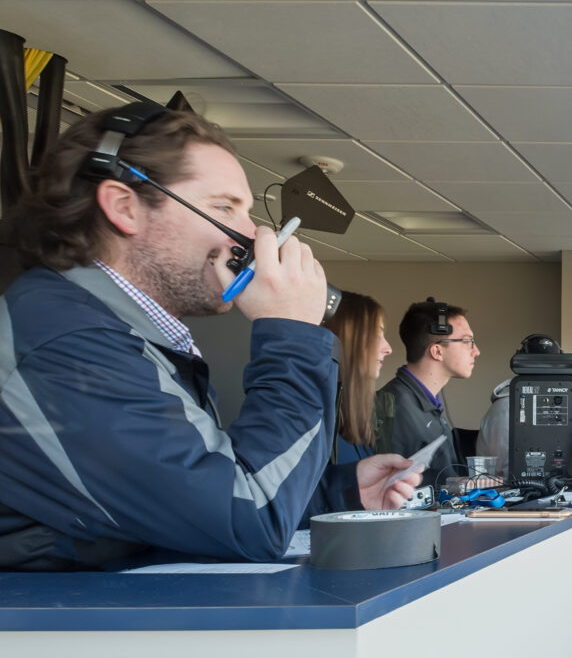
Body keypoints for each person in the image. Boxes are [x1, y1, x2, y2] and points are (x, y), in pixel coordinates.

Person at [0, 104, 419, 571]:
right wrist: (293, 334)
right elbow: (250, 521)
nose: (251, 235)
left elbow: (193, 506)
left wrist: (340, 492)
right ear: (124, 208)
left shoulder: (124, 334)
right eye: (224, 207)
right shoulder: (68, 344)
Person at [374, 299, 478, 490]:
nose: (476, 351)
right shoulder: (395, 407)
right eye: (467, 341)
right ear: (437, 351)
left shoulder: (425, 403)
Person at [325, 291, 392, 463]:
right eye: (377, 335)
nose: (388, 348)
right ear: (347, 338)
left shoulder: (353, 411)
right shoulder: (314, 417)